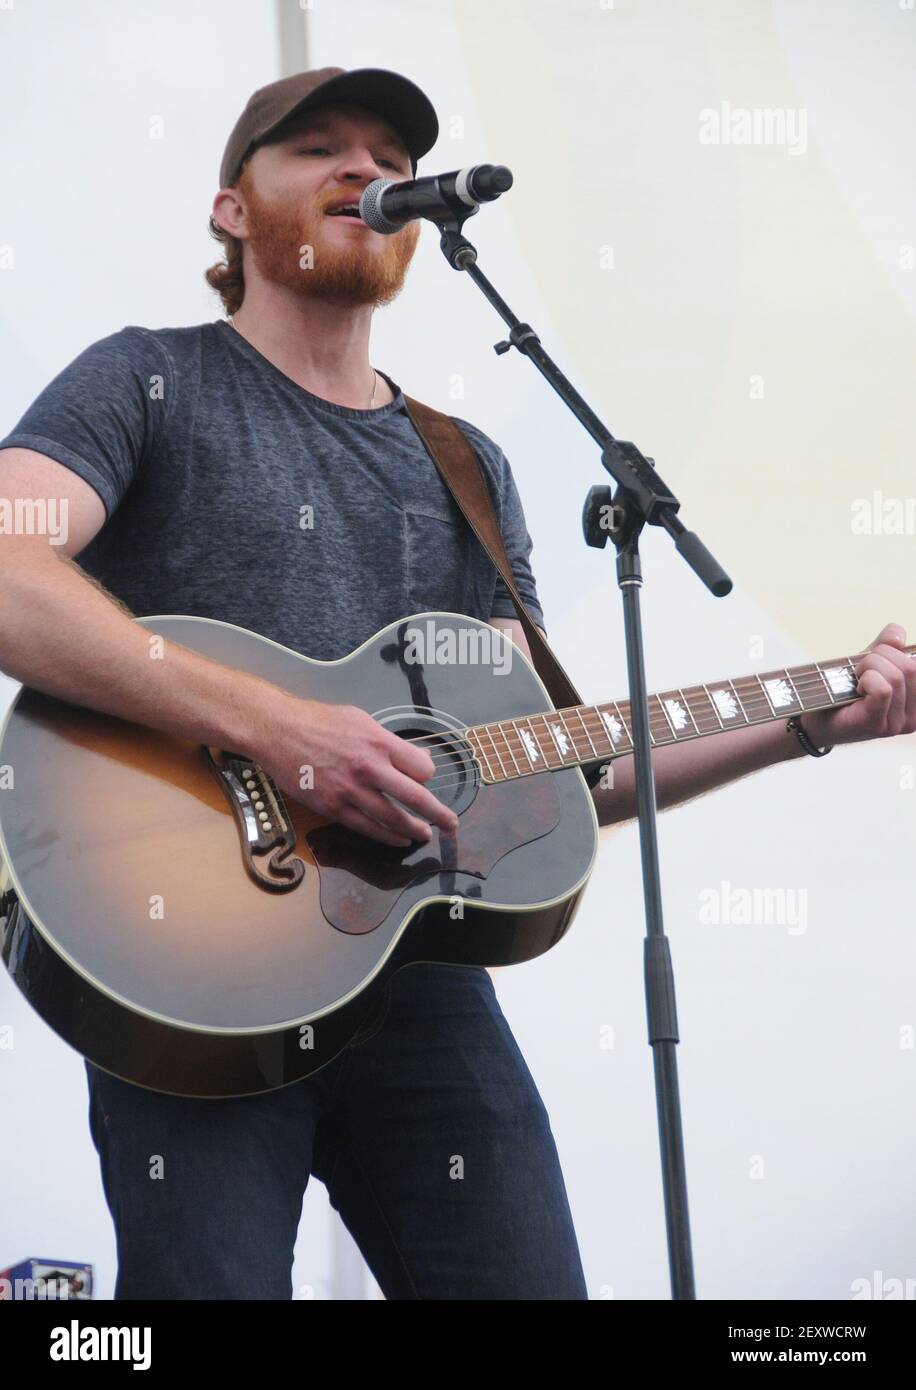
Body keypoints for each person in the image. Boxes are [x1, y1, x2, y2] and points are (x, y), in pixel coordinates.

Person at [1, 66, 913, 1300]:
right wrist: (276, 727)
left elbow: (552, 772)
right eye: (317, 147)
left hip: (416, 979)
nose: (363, 170)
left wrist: (816, 721)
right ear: (230, 209)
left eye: (385, 156)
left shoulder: (465, 467)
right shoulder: (146, 379)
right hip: (187, 962)